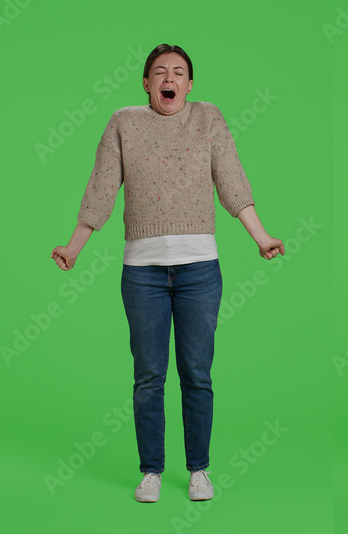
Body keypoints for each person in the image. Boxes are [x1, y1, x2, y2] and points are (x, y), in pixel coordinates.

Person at [52, 44, 284, 504]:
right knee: (148, 375)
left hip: (200, 267)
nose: (169, 78)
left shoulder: (208, 118)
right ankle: (151, 471)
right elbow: (101, 188)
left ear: (190, 84)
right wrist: (74, 247)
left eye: (178, 72)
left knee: (197, 373)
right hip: (142, 272)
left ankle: (199, 469)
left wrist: (260, 236)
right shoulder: (124, 122)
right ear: (146, 83)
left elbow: (232, 180)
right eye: (159, 72)